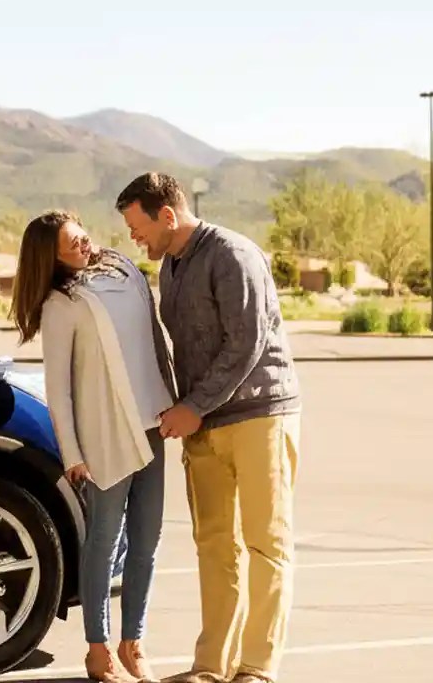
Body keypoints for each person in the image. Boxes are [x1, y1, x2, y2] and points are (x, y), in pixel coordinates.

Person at [115, 173, 301, 683]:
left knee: (266, 542)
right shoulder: (170, 267)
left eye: (137, 226)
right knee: (215, 545)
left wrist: (193, 406)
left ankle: (257, 668)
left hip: (260, 414)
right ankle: (211, 667)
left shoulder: (233, 255)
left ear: (167, 216)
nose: (135, 238)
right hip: (202, 421)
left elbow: (247, 343)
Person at [11, 210, 177, 683]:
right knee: (103, 543)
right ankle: (98, 648)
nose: (84, 246)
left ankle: (134, 643)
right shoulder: (61, 304)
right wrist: (72, 455)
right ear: (53, 258)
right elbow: (58, 388)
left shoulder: (124, 268)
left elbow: (153, 341)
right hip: (105, 435)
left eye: (82, 237)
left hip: (153, 422)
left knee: (147, 541)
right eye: (72, 245)